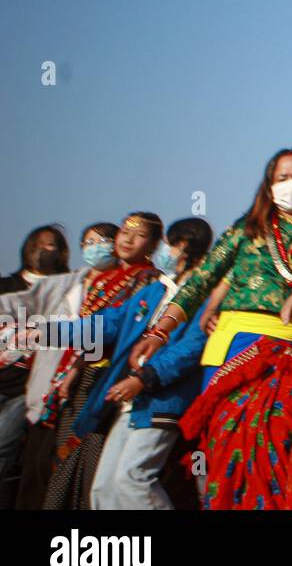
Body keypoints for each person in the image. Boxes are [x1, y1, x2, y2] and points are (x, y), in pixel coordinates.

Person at [133, 148, 292, 509]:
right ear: (268, 187)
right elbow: (201, 281)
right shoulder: (248, 229)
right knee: (228, 448)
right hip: (237, 347)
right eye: (282, 178)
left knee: (279, 450)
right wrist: (160, 331)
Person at [35, 218, 212, 509]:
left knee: (132, 481)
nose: (163, 249)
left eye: (167, 242)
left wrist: (145, 378)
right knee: (104, 490)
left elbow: (189, 350)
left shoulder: (203, 296)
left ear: (182, 246)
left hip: (162, 399)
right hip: (131, 400)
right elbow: (108, 323)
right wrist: (45, 331)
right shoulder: (157, 291)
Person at [0, 226, 70, 508]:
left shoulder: (66, 293)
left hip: (28, 388)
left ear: (61, 252)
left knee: (3, 443)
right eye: (37, 244)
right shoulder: (5, 287)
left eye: (50, 244)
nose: (42, 249)